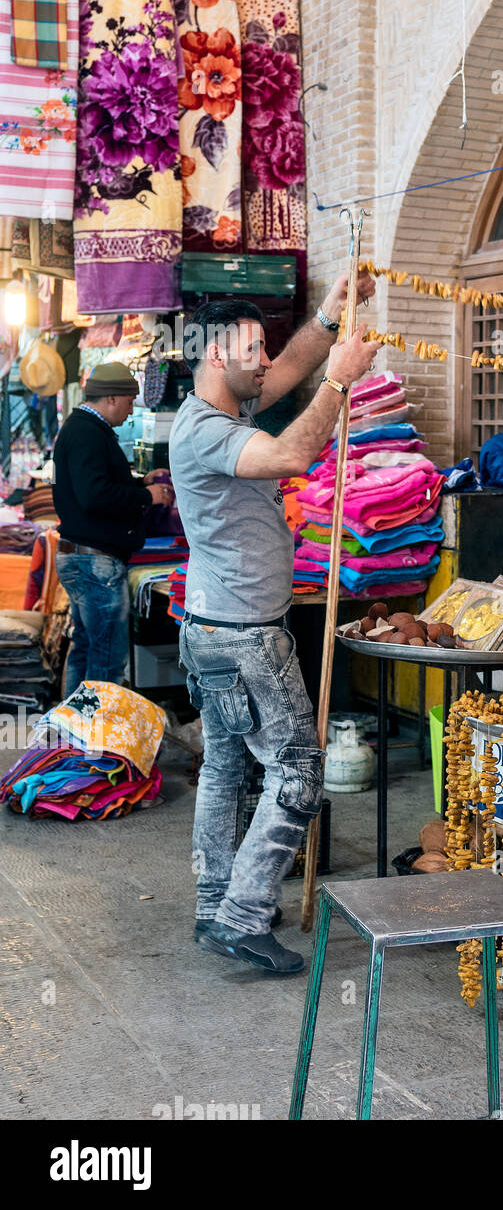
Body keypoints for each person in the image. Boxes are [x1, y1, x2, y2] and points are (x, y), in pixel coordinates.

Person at [171, 273, 378, 975]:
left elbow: (290, 367)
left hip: (216, 627)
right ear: (213, 355)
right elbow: (292, 455)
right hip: (243, 636)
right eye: (251, 349)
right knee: (297, 772)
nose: (265, 360)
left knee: (227, 767)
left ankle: (215, 902)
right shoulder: (205, 432)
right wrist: (342, 383)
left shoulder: (226, 404)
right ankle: (243, 914)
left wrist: (329, 313)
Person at [52, 362, 173, 694]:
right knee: (106, 660)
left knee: (87, 651)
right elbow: (94, 496)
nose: (131, 409)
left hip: (82, 556)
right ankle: (96, 742)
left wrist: (138, 481)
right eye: (130, 401)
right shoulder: (87, 433)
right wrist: (144, 496)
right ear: (112, 398)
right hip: (95, 561)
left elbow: (92, 486)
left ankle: (73, 736)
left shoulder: (81, 430)